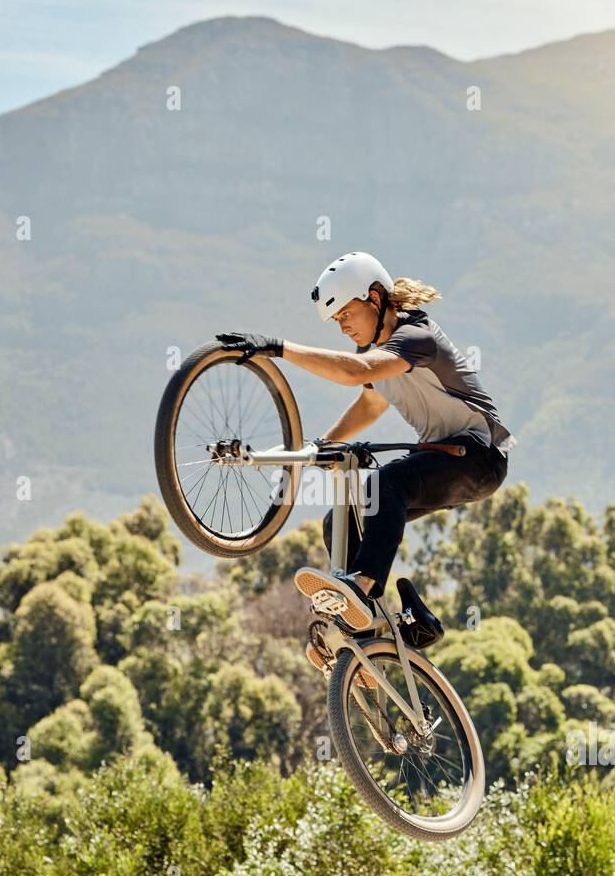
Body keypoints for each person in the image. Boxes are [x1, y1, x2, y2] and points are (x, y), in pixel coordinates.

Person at [216, 251, 515, 664]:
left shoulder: (415, 338)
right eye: (335, 319)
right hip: (447, 460)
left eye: (345, 313)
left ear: (375, 299)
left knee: (386, 483)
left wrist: (278, 348)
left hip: (478, 457)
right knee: (341, 520)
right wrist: (323, 445)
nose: (341, 325)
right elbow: (370, 406)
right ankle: (379, 626)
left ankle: (362, 585)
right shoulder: (381, 353)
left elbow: (356, 373)